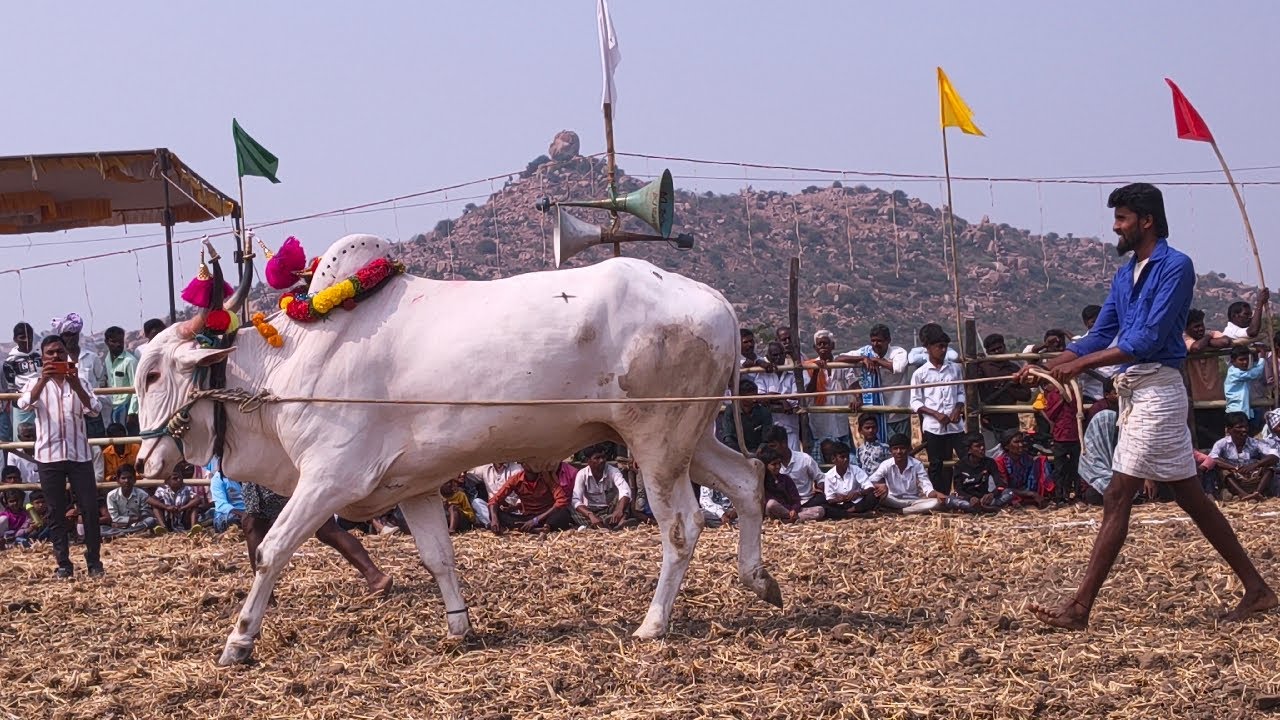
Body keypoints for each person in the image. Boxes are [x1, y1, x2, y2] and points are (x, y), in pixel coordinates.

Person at [1015, 182, 1276, 629]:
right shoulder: (1125, 274)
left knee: (1118, 493)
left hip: (1158, 391)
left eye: (1121, 219)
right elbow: (1103, 333)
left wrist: (1084, 365)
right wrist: (1051, 362)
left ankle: (1079, 608)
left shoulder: (1176, 267)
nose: (1115, 227)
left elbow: (1148, 339)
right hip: (1141, 392)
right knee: (1191, 496)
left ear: (1146, 221)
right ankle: (1257, 589)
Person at [18, 334, 104, 578]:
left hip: (79, 455)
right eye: (50, 353)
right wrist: (42, 381)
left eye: (59, 352)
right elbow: (24, 404)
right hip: (48, 457)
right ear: (42, 358)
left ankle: (94, 561)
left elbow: (95, 410)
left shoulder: (81, 380)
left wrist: (75, 384)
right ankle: (64, 563)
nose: (56, 357)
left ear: (67, 354)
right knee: (55, 511)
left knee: (88, 508)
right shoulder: (34, 382)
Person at [242, 481, 392, 595]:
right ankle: (375, 576)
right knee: (326, 528)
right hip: (295, 464)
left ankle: (264, 597)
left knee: (253, 524)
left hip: (271, 467)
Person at [910, 325, 966, 494]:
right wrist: (935, 414)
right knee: (936, 463)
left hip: (955, 425)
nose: (942, 350)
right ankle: (939, 496)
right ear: (928, 348)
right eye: (938, 346)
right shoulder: (920, 373)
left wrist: (958, 408)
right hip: (933, 426)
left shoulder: (955, 369)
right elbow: (915, 401)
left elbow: (961, 392)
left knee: (963, 459)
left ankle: (962, 492)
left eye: (944, 346)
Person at [803, 330, 862, 458]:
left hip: (839, 420)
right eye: (820, 344)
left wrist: (858, 398)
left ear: (832, 346)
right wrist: (816, 371)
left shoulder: (841, 365)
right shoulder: (809, 366)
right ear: (815, 348)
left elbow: (853, 384)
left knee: (845, 457)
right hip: (819, 423)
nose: (823, 347)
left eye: (826, 343)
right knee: (821, 461)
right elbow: (809, 391)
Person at [850, 324, 911, 440]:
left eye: (879, 341)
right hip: (876, 416)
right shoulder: (866, 353)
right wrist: (862, 359)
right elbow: (839, 358)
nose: (875, 344)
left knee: (902, 450)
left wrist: (877, 361)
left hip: (898, 414)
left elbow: (898, 368)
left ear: (888, 340)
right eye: (873, 341)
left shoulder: (898, 352)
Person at [971, 333, 1032, 447]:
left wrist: (1010, 386)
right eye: (993, 350)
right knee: (992, 456)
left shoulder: (1014, 369)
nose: (997, 352)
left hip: (1010, 421)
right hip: (989, 422)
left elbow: (1026, 395)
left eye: (999, 348)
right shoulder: (982, 368)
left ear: (1004, 347)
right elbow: (971, 388)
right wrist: (975, 364)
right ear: (988, 352)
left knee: (1012, 456)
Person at [1184, 308, 1231, 449]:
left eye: (1201, 325)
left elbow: (1225, 342)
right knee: (1199, 441)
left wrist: (1207, 339)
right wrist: (1208, 339)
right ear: (1186, 329)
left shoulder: (1209, 333)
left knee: (1217, 441)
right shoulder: (1183, 338)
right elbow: (1195, 348)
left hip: (1217, 399)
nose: (1200, 329)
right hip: (1196, 402)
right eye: (1196, 327)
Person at [866, 433, 947, 514]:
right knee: (877, 496)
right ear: (890, 451)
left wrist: (936, 494)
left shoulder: (917, 464)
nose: (899, 452)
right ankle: (908, 511)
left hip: (912, 500)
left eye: (902, 448)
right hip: (892, 500)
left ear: (909, 449)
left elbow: (927, 487)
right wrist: (880, 486)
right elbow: (868, 482)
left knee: (935, 503)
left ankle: (899, 512)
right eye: (895, 449)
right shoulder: (886, 464)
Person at [1209, 412, 1278, 501]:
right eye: (1239, 427)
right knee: (1223, 471)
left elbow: (1274, 456)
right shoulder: (1222, 443)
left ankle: (1257, 493)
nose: (1244, 430)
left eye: (1246, 426)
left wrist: (1255, 465)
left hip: (1254, 478)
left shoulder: (1254, 442)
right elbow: (1212, 458)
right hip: (1235, 480)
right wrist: (1234, 467)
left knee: (1270, 467)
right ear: (1229, 430)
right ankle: (1244, 495)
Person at [762, 425, 827, 517]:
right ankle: (794, 517)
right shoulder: (768, 464)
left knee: (820, 510)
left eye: (773, 446)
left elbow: (821, 478)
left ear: (784, 443)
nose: (771, 449)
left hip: (805, 502)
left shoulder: (804, 459)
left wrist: (819, 489)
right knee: (771, 505)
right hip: (782, 504)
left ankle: (790, 517)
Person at [488, 466, 574, 533]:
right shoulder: (516, 479)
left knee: (564, 513)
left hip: (547, 516)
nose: (532, 465)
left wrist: (536, 520)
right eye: (528, 462)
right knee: (495, 514)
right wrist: (495, 519)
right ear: (522, 464)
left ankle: (544, 527)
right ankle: (536, 529)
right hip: (527, 518)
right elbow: (494, 500)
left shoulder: (547, 477)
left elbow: (562, 500)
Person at [570, 445, 633, 529]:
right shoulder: (582, 474)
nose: (602, 460)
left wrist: (619, 509)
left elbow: (625, 490)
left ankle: (601, 524)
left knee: (625, 497)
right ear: (588, 461)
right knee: (571, 507)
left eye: (603, 457)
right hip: (590, 511)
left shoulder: (613, 471)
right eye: (597, 458)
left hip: (609, 509)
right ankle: (611, 523)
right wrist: (591, 515)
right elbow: (576, 499)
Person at [756, 342, 802, 452]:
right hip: (769, 429)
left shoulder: (793, 374)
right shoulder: (762, 374)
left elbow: (795, 400)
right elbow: (760, 397)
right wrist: (782, 400)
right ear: (768, 357)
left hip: (790, 428)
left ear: (784, 355)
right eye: (774, 355)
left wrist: (772, 398)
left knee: (792, 459)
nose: (777, 358)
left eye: (780, 354)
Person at [951, 434, 1014, 512]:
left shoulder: (990, 462)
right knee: (950, 500)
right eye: (977, 446)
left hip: (985, 499)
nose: (982, 448)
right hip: (968, 500)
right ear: (969, 449)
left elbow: (1000, 484)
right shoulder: (960, 465)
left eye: (983, 445)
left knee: (1009, 492)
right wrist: (970, 498)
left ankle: (981, 508)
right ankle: (986, 508)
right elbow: (958, 489)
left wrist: (992, 494)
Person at [759, 445, 822, 522]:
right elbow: (767, 502)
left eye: (779, 463)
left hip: (790, 511)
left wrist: (794, 509)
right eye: (774, 464)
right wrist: (789, 511)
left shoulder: (786, 479)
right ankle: (792, 519)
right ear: (766, 465)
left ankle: (787, 520)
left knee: (820, 510)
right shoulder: (762, 482)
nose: (778, 466)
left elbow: (796, 499)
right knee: (771, 504)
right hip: (775, 511)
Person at [1041, 384, 1081, 502]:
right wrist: (1061, 400)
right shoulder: (1052, 393)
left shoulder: (1076, 392)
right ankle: (1059, 496)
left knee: (1077, 468)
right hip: (1060, 436)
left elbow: (1078, 411)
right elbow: (1050, 414)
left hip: (1075, 436)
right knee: (1059, 469)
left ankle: (1077, 495)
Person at [995, 430, 1052, 507]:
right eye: (1016, 442)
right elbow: (1004, 487)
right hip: (1011, 492)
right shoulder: (1000, 462)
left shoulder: (1026, 458)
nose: (1021, 445)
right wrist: (1031, 494)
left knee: (1041, 461)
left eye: (1022, 441)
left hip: (1025, 489)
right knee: (1007, 494)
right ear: (1006, 446)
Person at [822, 441, 878, 519]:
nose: (846, 460)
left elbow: (870, 487)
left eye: (847, 457)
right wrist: (839, 499)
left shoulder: (855, 469)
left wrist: (858, 493)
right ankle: (857, 514)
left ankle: (850, 512)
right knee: (824, 506)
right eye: (842, 457)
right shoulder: (829, 475)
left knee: (873, 496)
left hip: (858, 502)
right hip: (841, 505)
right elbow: (829, 499)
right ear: (833, 459)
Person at [717, 378, 773, 453]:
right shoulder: (730, 410)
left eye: (755, 396)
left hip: (759, 452)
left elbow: (767, 438)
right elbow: (728, 436)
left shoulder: (764, 412)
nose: (754, 400)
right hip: (736, 451)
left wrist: (759, 450)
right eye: (750, 397)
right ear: (741, 397)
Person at [102, 326, 139, 431]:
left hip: (126, 406)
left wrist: (132, 412)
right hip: (112, 406)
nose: (118, 345)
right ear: (107, 342)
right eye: (114, 341)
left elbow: (136, 388)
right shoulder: (107, 360)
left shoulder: (130, 361)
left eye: (120, 341)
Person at [106, 465, 159, 534]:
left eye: (130, 478)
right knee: (103, 528)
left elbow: (145, 513)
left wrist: (132, 521)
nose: (127, 481)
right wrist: (134, 519)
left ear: (134, 480)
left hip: (138, 524)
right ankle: (131, 532)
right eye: (123, 478)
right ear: (118, 480)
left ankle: (125, 533)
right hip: (121, 526)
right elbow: (115, 518)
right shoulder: (111, 495)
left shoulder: (141, 494)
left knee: (151, 520)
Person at [1224, 347, 1266, 435]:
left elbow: (1251, 371)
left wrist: (1255, 359)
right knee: (1238, 438)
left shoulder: (1240, 371)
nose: (1245, 362)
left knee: (1244, 438)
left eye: (1247, 359)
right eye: (1241, 360)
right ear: (1233, 361)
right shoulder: (1235, 373)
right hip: (1236, 412)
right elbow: (1255, 373)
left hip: (1242, 411)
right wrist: (1262, 358)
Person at [151, 466, 202, 532]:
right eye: (175, 478)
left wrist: (183, 508)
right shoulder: (162, 489)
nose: (178, 480)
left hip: (183, 518)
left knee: (194, 506)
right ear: (167, 481)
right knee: (156, 507)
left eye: (180, 478)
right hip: (167, 518)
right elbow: (150, 499)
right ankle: (163, 528)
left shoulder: (187, 488)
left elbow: (197, 499)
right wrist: (166, 507)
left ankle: (193, 529)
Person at [208, 460, 245, 533]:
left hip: (247, 512)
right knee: (231, 520)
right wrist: (243, 515)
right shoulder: (217, 479)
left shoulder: (246, 476)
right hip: (229, 513)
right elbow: (222, 505)